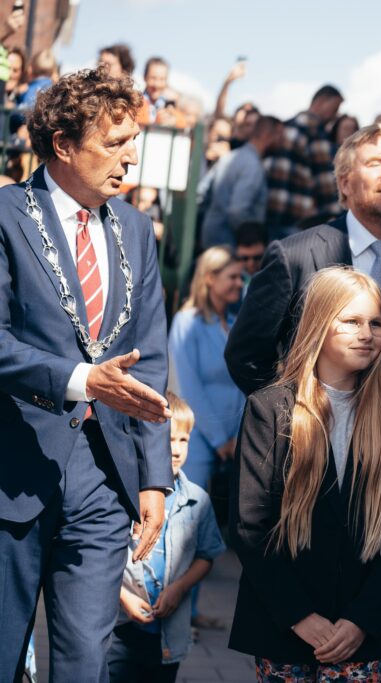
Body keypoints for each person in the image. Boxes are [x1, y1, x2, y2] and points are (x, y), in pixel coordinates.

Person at [225, 122, 381, 681]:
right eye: (377, 162)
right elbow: (247, 356)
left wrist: (378, 418)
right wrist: (302, 417)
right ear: (342, 182)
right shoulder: (296, 255)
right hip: (303, 466)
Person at [0, 68, 172, 682]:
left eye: (134, 142)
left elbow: (149, 356)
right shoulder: (5, 213)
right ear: (64, 145)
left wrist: (154, 476)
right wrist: (81, 379)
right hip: (12, 472)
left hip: (105, 477)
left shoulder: (136, 229)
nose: (130, 158)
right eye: (115, 143)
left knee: (85, 665)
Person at [229, 266, 381, 681]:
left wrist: (362, 619)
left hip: (358, 631)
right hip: (285, 625)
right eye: (351, 321)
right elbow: (249, 525)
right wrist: (300, 616)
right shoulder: (271, 408)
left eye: (377, 323)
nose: (367, 333)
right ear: (318, 323)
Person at [108, 392, 226, 683]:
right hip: (117, 629)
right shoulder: (120, 495)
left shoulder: (197, 500)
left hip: (167, 636)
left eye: (183, 440)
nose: (176, 450)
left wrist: (180, 588)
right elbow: (101, 558)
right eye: (167, 440)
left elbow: (207, 555)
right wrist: (122, 597)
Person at [169, 246, 246, 490]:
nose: (239, 283)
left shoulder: (235, 324)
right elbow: (187, 386)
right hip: (197, 439)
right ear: (210, 278)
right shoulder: (187, 322)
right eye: (232, 277)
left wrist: (237, 437)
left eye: (241, 277)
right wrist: (220, 439)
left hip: (234, 441)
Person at [263, 84, 343, 237]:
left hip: (270, 213)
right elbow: (324, 181)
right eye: (334, 109)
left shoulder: (286, 126)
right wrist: (336, 218)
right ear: (321, 102)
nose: (335, 116)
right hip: (296, 220)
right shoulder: (315, 130)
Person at [199, 115, 283, 249]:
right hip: (229, 244)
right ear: (268, 135)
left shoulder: (230, 156)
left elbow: (202, 193)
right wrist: (251, 242)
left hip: (210, 235)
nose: (281, 142)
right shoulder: (252, 166)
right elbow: (237, 211)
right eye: (280, 136)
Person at [139, 57, 184, 128]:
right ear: (145, 77)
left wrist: (174, 120)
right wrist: (156, 124)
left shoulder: (170, 104)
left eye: (162, 79)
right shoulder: (135, 103)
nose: (157, 84)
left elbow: (183, 124)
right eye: (153, 78)